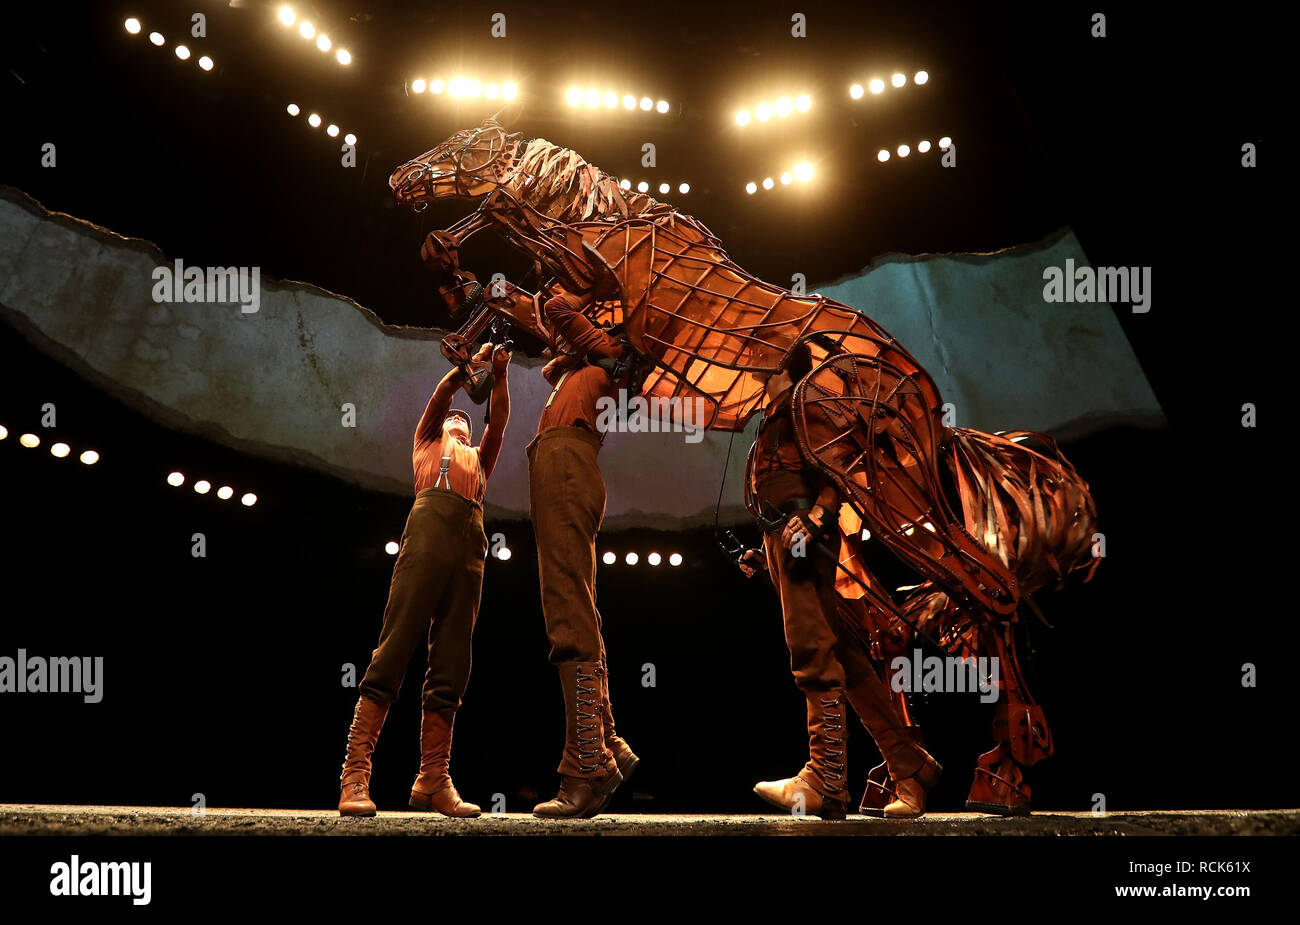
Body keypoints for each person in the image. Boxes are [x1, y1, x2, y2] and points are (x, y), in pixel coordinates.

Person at [738, 341, 942, 819]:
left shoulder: (804, 403)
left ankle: (826, 779)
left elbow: (842, 465)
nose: (745, 355)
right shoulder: (774, 413)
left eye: (755, 349)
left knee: (810, 648)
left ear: (780, 361)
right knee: (840, 652)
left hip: (805, 535)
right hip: (784, 537)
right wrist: (763, 545)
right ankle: (909, 763)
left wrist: (817, 515)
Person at [337, 341, 512, 818]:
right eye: (454, 418)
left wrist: (499, 375)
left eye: (464, 421)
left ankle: (433, 778)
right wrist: (463, 372)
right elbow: (439, 399)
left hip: (470, 545)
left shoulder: (479, 460)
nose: (460, 420)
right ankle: (355, 774)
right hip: (428, 531)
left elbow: (498, 425)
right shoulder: (427, 441)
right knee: (395, 647)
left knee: (453, 660)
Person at [527, 354, 639, 818]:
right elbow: (552, 353)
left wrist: (566, 311)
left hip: (568, 460)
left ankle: (587, 765)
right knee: (576, 603)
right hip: (560, 459)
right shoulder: (580, 365)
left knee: (567, 608)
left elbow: (561, 315)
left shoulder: (616, 351)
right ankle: (605, 741)